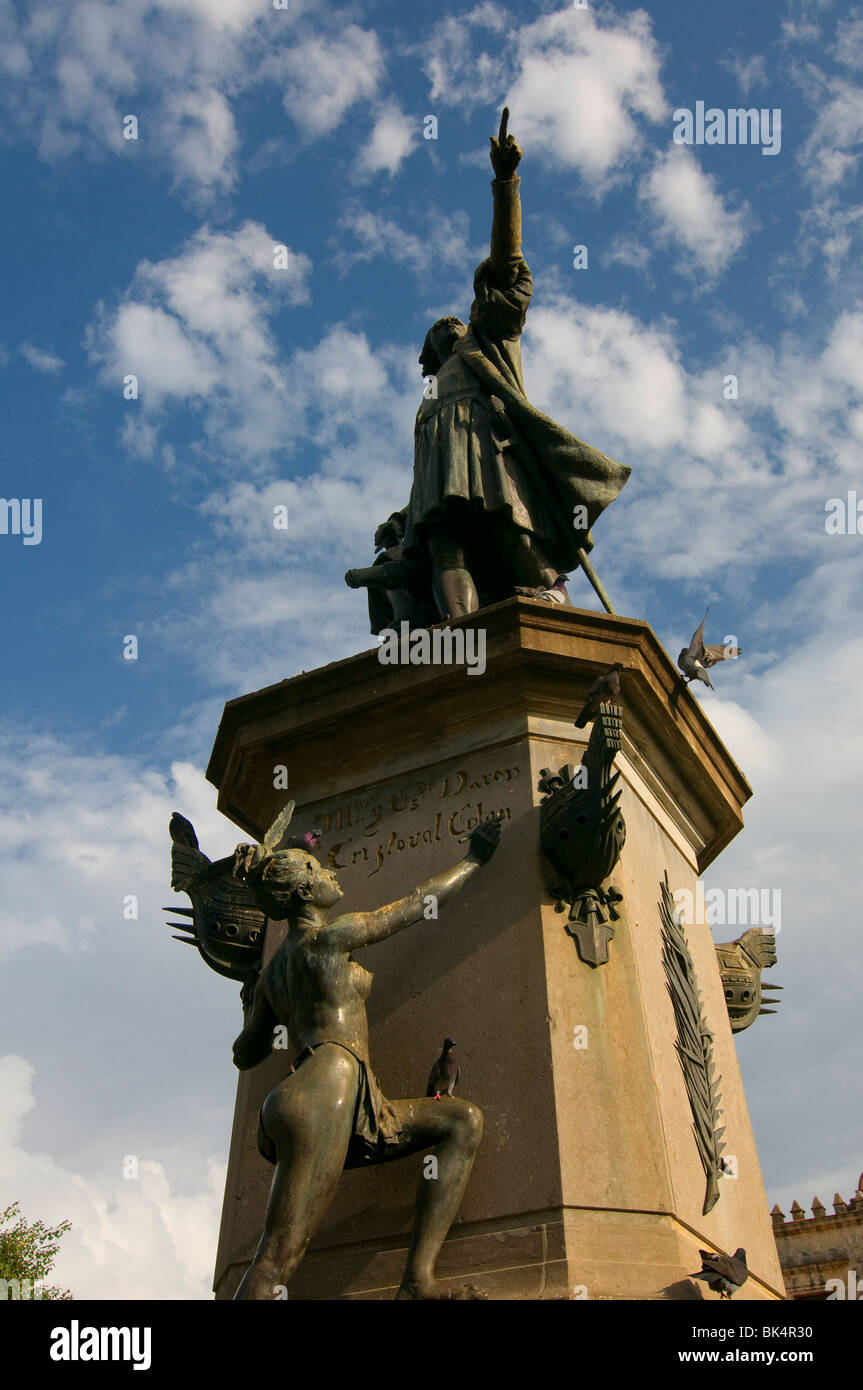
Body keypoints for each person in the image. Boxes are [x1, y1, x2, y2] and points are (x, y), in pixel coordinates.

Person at [230, 814, 503, 1300]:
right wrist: (473, 860)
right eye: (322, 871)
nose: (335, 875)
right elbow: (418, 904)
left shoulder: (275, 972)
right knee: (278, 1257)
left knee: (461, 1121)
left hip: (301, 1098)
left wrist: (261, 999)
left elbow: (245, 1053)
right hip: (331, 1087)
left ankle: (418, 1282)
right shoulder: (333, 936)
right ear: (305, 890)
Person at [401, 109, 631, 619]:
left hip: (488, 447)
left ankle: (552, 591)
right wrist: (402, 517)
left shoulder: (485, 343)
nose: (449, 326)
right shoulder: (430, 398)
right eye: (439, 329)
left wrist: (506, 185)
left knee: (507, 523)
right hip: (443, 465)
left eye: (455, 323)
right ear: (427, 352)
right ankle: (460, 630)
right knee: (442, 543)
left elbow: (507, 268)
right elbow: (420, 475)